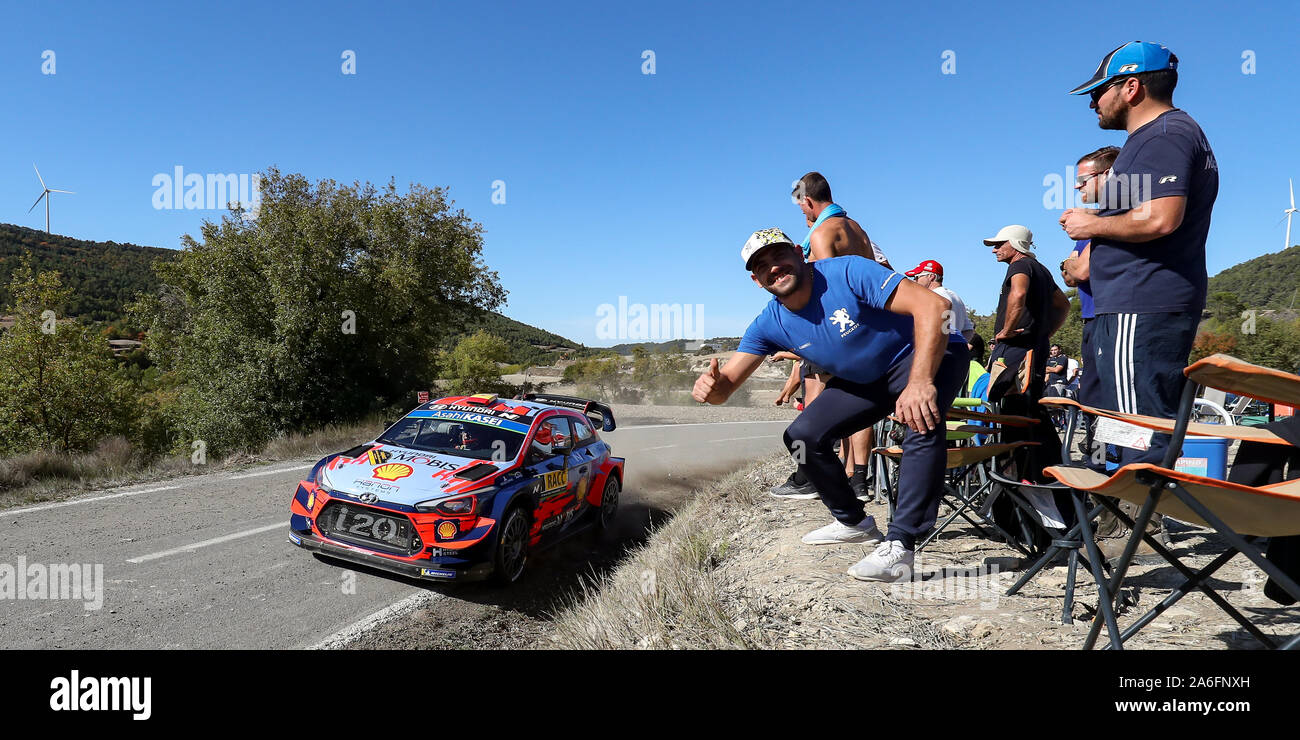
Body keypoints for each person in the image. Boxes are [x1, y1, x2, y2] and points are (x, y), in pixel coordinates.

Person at [693, 228, 968, 582]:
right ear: (756, 280)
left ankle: (901, 545)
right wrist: (711, 389)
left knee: (920, 420)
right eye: (762, 266)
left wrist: (920, 381)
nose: (773, 268)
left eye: (778, 256)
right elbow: (725, 388)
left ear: (798, 252)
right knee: (803, 436)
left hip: (927, 352)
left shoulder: (847, 271)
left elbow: (936, 306)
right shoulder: (768, 324)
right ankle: (853, 521)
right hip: (869, 378)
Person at [1061, 41, 1219, 470]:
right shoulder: (1151, 139)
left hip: (1142, 301)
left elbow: (1160, 219)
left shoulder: (1163, 136)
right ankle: (1124, 519)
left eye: (1099, 90)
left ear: (1131, 88)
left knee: (1139, 426)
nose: (1093, 101)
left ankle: (1136, 527)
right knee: (1124, 421)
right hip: (1134, 303)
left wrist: (1090, 224)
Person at [983, 225, 1073, 550]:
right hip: (1032, 353)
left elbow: (1018, 294)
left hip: (1017, 356)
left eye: (998, 244)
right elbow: (1064, 304)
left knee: (1016, 426)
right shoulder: (1043, 270)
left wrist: (1007, 332)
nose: (994, 249)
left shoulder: (1020, 266)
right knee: (1031, 424)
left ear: (1015, 244)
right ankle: (1034, 510)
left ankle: (1024, 514)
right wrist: (1044, 334)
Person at [904, 260, 975, 342]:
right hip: (953, 351)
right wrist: (957, 345)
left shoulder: (932, 296)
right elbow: (968, 330)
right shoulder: (956, 297)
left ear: (931, 276)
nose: (914, 281)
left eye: (917, 277)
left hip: (936, 350)